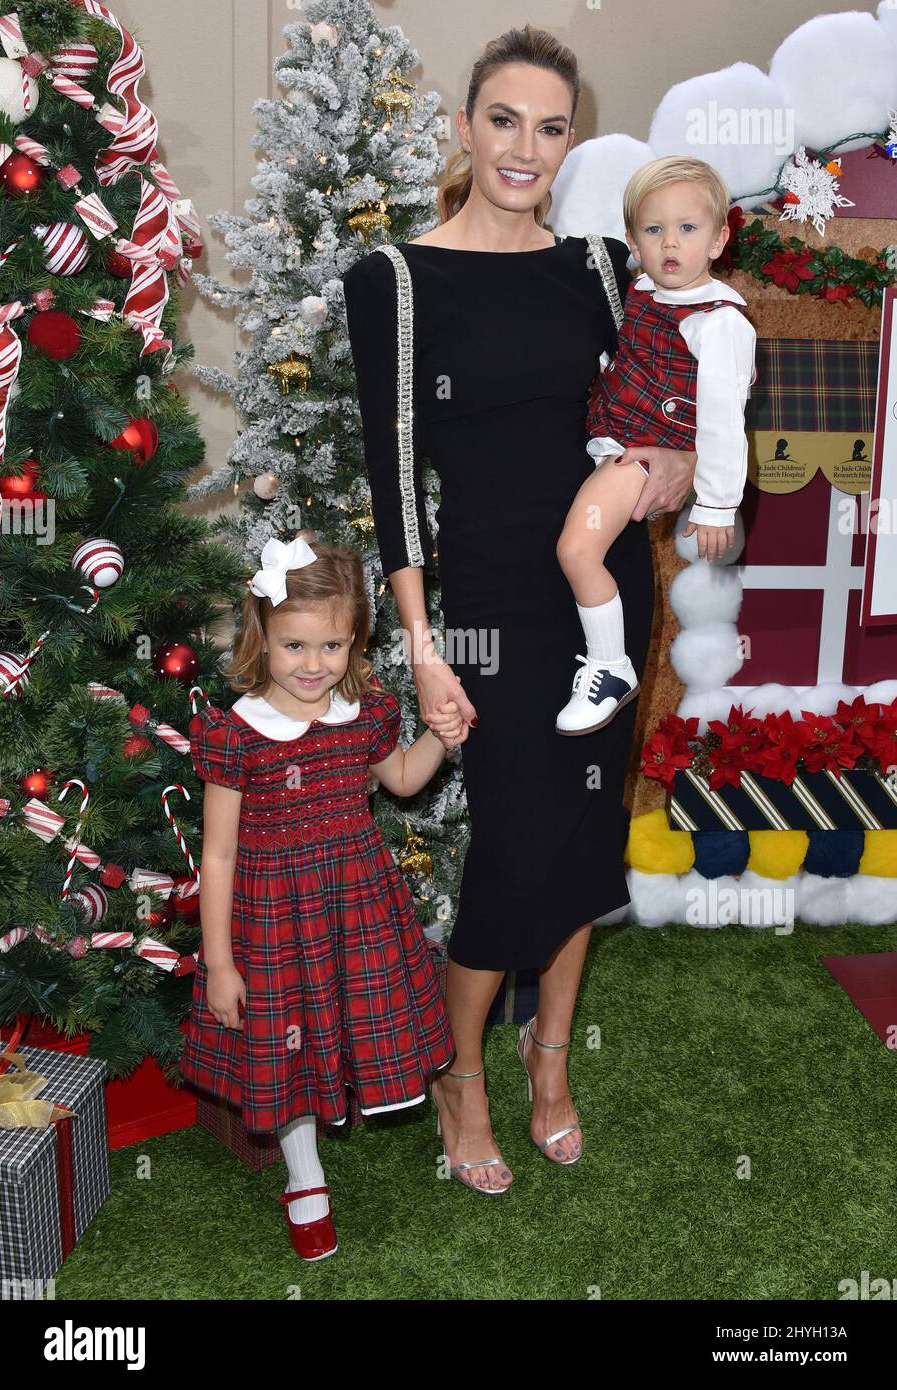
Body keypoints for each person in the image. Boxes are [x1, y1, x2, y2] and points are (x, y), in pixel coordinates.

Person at [342, 25, 698, 1195]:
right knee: (512, 846)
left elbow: (661, 412)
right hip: (490, 605)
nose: (525, 148)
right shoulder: (397, 278)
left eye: (551, 128)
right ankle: (465, 1077)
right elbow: (394, 475)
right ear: (465, 125)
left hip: (601, 597)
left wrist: (676, 470)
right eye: (505, 120)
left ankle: (551, 1063)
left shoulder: (598, 266)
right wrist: (424, 647)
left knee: (586, 845)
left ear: (569, 142)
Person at [178, 534, 457, 1260]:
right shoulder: (236, 734)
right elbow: (219, 852)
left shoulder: (364, 715)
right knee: (285, 1043)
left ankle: (361, 1113)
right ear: (261, 638)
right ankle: (305, 1178)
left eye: (331, 646)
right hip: (271, 920)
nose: (313, 665)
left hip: (356, 905)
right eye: (294, 646)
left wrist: (441, 734)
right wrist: (219, 963)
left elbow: (399, 780)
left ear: (355, 639)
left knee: (348, 1016)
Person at [554, 156, 757, 735]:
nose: (670, 243)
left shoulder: (720, 323)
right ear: (632, 241)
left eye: (688, 229)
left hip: (644, 453)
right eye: (654, 229)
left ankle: (610, 666)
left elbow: (722, 421)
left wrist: (718, 503)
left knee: (577, 551)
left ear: (719, 238)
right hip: (614, 433)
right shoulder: (645, 289)